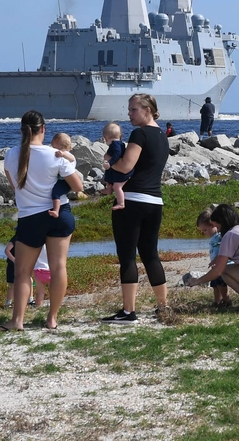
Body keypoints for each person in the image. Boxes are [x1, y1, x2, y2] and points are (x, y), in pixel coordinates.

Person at [0, 110, 84, 331]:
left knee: (22, 272)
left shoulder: (11, 154)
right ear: (43, 129)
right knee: (58, 267)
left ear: (22, 130)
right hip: (59, 214)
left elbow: (13, 184)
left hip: (30, 218)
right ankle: (52, 318)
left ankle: (17, 320)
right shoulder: (55, 154)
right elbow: (78, 186)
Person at [102, 93, 170, 324]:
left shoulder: (140, 133)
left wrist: (109, 164)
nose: (129, 114)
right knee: (151, 254)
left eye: (133, 110)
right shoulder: (162, 135)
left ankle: (129, 312)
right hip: (155, 201)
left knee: (128, 256)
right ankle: (164, 307)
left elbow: (126, 166)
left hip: (132, 200)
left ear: (147, 110)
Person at [196, 209, 230, 307]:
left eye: (205, 230)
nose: (204, 233)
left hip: (223, 266)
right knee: (214, 284)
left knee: (221, 283)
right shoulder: (213, 238)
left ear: (213, 225)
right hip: (216, 266)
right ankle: (217, 301)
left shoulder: (219, 236)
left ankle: (226, 299)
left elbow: (223, 250)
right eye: (202, 231)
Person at [102, 122, 132, 211]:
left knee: (117, 186)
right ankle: (109, 189)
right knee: (109, 175)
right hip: (120, 170)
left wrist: (110, 163)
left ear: (105, 138)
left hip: (124, 173)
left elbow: (117, 154)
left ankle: (121, 203)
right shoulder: (119, 143)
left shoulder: (115, 145)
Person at [3, 230, 34, 308]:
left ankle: (30, 300)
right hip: (13, 265)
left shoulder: (25, 240)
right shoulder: (15, 239)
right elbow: (7, 250)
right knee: (13, 284)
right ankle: (8, 303)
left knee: (30, 280)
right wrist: (14, 260)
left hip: (23, 264)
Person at [48, 133, 76, 219]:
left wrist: (63, 154)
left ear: (59, 146)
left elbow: (72, 159)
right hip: (62, 179)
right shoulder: (61, 153)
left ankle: (56, 211)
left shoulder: (67, 154)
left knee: (55, 193)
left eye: (53, 145)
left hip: (65, 181)